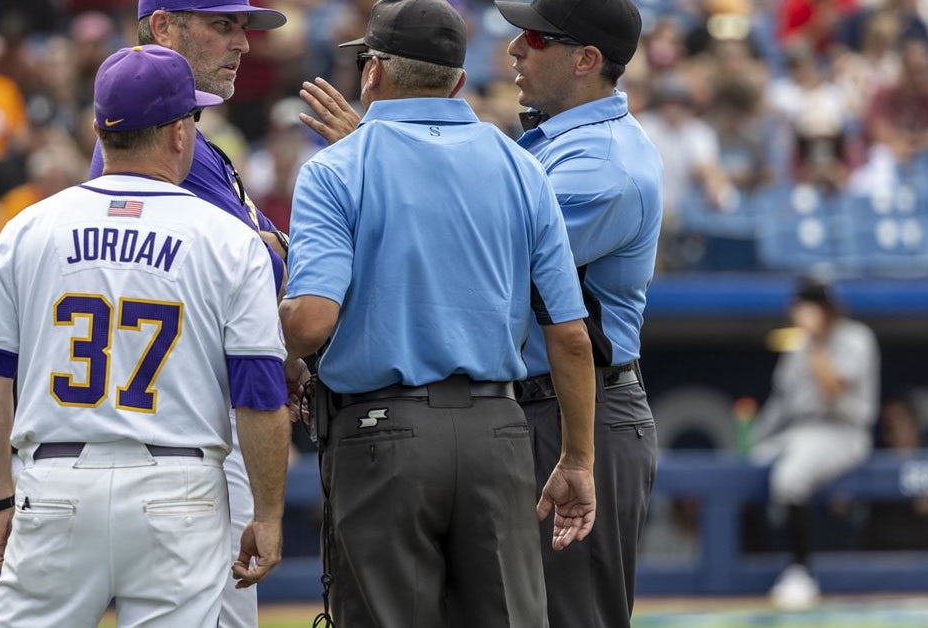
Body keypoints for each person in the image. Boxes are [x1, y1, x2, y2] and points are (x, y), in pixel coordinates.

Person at [279, 0, 597, 625]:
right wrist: (578, 459)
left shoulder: (337, 167)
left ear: (373, 71)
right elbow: (570, 336)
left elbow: (310, 321)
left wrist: (272, 319)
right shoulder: (521, 166)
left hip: (380, 433)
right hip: (496, 431)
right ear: (458, 81)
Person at [0, 45, 290, 627]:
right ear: (180, 133)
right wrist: (266, 512)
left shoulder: (29, 227)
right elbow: (259, 396)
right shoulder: (229, 239)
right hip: (179, 490)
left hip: (55, 482)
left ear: (99, 130)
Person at [88, 4, 292, 626]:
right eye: (222, 26)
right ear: (163, 28)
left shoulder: (195, 146)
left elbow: (270, 257)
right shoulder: (160, 155)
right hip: (185, 428)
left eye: (242, 28)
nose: (243, 45)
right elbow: (264, 270)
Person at [494, 1, 664, 626]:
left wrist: (377, 171)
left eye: (535, 38)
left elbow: (484, 265)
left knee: (573, 618)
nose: (515, 48)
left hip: (578, 418)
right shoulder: (563, 142)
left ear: (586, 59)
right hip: (541, 408)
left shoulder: (600, 165)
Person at [749, 277, 879, 610]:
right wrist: (755, 440)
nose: (803, 313)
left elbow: (833, 388)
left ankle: (801, 573)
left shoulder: (856, 337)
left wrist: (816, 341)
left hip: (843, 431)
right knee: (750, 466)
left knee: (790, 479)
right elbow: (782, 401)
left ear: (828, 309)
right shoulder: (797, 343)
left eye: (811, 306)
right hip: (799, 431)